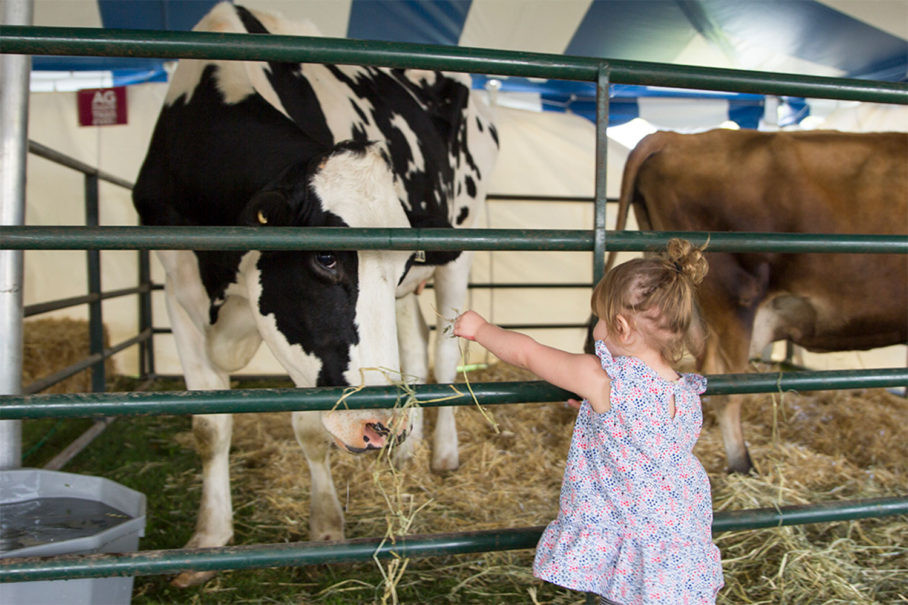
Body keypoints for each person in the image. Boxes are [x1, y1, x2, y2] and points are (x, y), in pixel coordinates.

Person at [453, 238, 723, 605]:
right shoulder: (684, 390)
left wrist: (479, 329)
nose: (596, 327)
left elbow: (528, 354)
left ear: (621, 327)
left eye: (599, 318)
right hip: (679, 541)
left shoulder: (601, 378)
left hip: (635, 541)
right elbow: (638, 436)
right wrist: (594, 413)